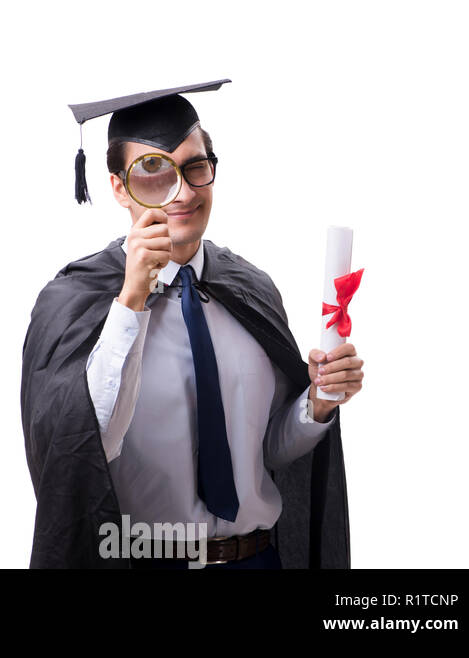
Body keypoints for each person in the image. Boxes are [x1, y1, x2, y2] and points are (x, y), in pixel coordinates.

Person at [20, 79, 360, 569]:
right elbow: (82, 453)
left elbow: (269, 450)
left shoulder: (250, 288)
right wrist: (131, 299)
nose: (181, 192)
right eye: (154, 170)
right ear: (119, 186)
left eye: (195, 167)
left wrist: (319, 403)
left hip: (258, 560)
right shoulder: (76, 299)